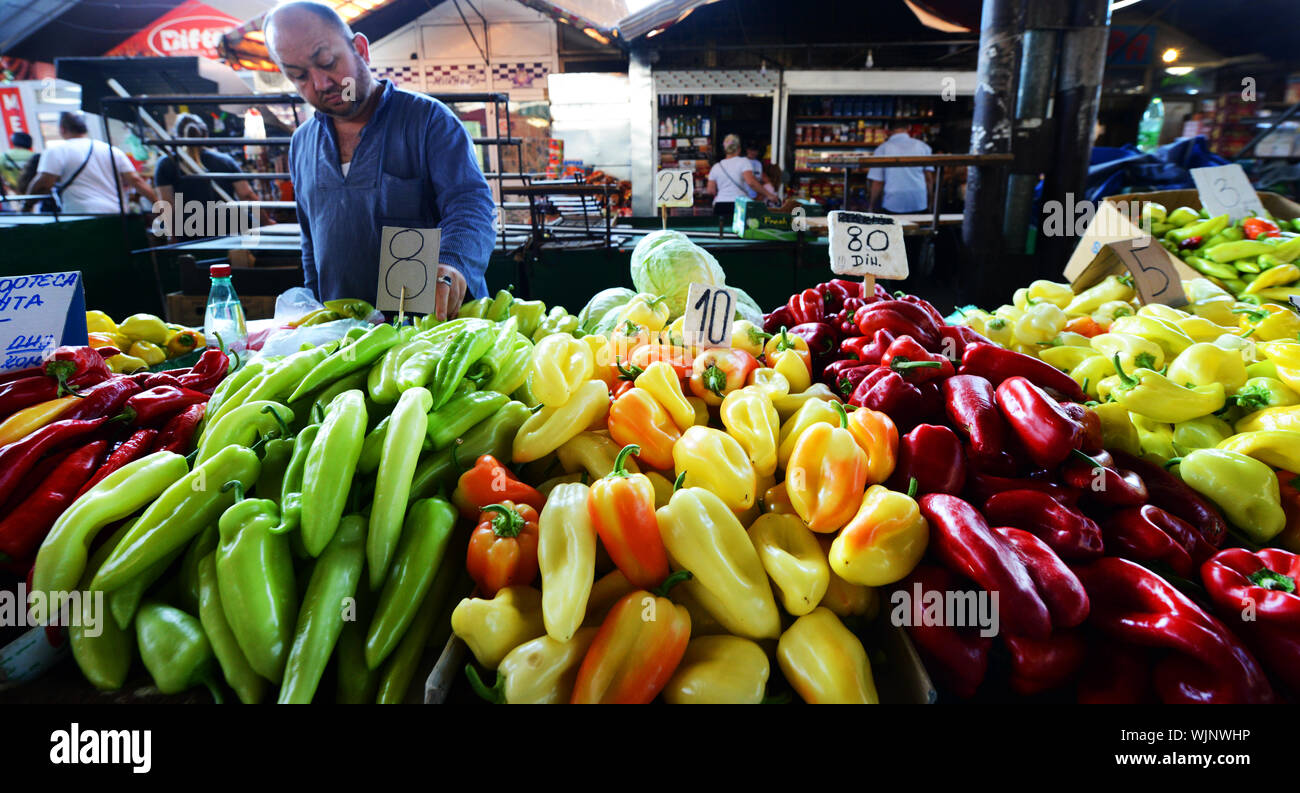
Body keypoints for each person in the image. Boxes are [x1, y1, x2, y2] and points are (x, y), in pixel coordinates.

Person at [265, 1, 496, 319]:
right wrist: (317, 313)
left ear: (360, 48)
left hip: (432, 335)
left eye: (328, 62)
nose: (320, 84)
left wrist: (453, 263)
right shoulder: (302, 144)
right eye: (299, 76)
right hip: (346, 341)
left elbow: (471, 207)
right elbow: (311, 247)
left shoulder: (428, 121)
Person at [28, 112, 156, 213]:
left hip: (82, 214)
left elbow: (43, 184)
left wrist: (26, 206)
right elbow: (136, 180)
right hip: (117, 213)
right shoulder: (111, 150)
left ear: (62, 129)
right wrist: (159, 206)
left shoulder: (56, 151)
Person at [154, 113, 260, 212]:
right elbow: (246, 195)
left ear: (177, 136)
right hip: (228, 227)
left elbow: (167, 207)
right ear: (205, 135)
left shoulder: (166, 164)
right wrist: (266, 222)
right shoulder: (224, 161)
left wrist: (173, 232)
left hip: (189, 229)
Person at [706, 134, 779, 225]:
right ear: (739, 148)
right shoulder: (743, 162)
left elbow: (710, 190)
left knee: (722, 232)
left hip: (720, 205)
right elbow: (751, 182)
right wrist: (769, 195)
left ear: (725, 149)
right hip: (739, 205)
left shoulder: (716, 167)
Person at [867, 124, 935, 214]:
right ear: (908, 128)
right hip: (919, 201)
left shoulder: (882, 149)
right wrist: (930, 201)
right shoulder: (923, 146)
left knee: (894, 228)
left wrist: (871, 206)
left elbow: (878, 182)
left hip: (893, 202)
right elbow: (929, 179)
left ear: (888, 131)